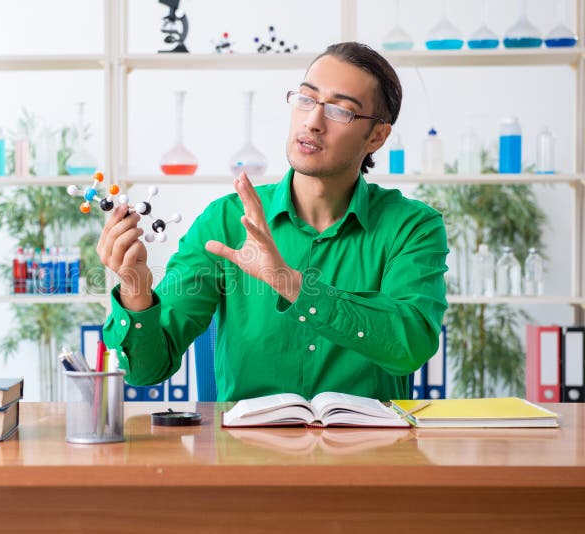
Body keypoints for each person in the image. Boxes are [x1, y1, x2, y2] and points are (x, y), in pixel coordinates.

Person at [97, 42, 449, 402]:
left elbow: (410, 346)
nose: (313, 122)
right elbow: (146, 370)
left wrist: (290, 283)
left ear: (376, 136)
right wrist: (135, 289)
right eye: (306, 99)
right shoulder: (226, 221)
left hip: (366, 453)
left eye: (341, 111)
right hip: (248, 454)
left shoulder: (412, 227)